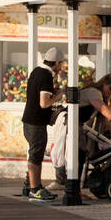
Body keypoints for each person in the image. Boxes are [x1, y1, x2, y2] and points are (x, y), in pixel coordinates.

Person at [21, 48, 63, 201]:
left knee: (34, 153)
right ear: (56, 63)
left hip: (28, 120)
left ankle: (31, 185)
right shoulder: (46, 75)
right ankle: (35, 189)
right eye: (61, 64)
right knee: (36, 155)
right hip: (36, 122)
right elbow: (44, 103)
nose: (61, 67)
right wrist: (57, 96)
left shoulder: (36, 71)